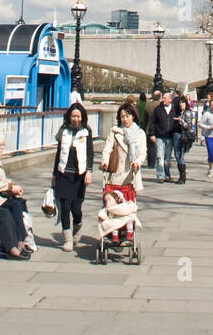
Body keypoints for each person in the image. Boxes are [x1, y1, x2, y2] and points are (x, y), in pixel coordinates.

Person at [99, 102, 147, 243]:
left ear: (133, 117)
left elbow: (142, 153)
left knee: (128, 205)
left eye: (127, 116)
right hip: (115, 173)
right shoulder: (115, 132)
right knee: (112, 205)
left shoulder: (140, 133)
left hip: (131, 173)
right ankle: (113, 230)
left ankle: (127, 230)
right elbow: (107, 149)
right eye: (122, 117)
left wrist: (137, 162)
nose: (125, 119)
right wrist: (104, 161)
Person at [51, 102, 94, 251]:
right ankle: (67, 239)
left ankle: (78, 224)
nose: (75, 119)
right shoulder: (63, 130)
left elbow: (90, 153)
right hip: (64, 173)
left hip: (78, 175)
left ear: (82, 117)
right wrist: (54, 173)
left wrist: (89, 171)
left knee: (76, 208)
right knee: (64, 207)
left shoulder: (86, 131)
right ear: (69, 116)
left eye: (78, 116)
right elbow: (58, 153)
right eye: (73, 116)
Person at [0, 134, 35, 250]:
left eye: (3, 145)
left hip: (1, 194)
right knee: (15, 205)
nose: (2, 148)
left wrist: (13, 186)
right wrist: (11, 187)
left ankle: (26, 234)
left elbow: (2, 180)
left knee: (21, 202)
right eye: (0, 145)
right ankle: (21, 238)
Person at [149, 90, 177, 182]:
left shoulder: (174, 110)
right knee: (160, 156)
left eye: (165, 98)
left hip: (170, 136)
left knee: (167, 158)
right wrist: (152, 134)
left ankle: (167, 175)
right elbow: (152, 123)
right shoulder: (158, 109)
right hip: (159, 136)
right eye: (163, 98)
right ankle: (160, 175)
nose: (163, 100)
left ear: (170, 100)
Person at [172, 94, 195, 184]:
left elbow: (188, 126)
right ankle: (181, 175)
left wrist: (180, 120)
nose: (181, 104)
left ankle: (182, 176)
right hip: (177, 134)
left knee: (179, 154)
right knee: (178, 154)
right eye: (180, 103)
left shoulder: (187, 112)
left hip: (183, 135)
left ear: (186, 104)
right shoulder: (179, 112)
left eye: (183, 103)